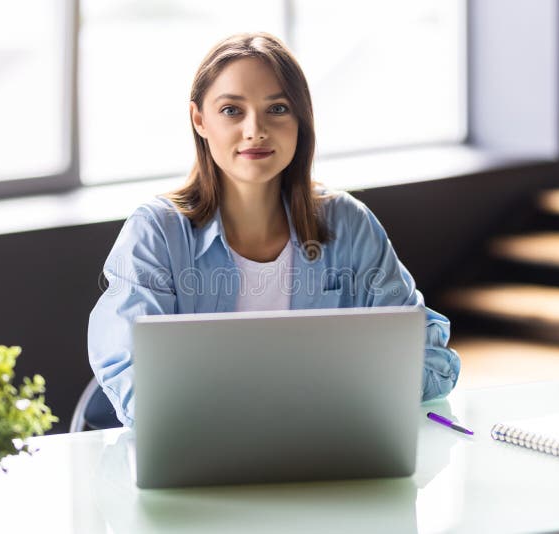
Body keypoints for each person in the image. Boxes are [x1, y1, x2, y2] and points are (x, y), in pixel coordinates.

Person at [88, 32, 460, 428]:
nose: (255, 130)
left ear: (300, 120)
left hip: (327, 451)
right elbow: (130, 374)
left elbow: (432, 362)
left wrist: (321, 394)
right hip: (205, 455)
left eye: (277, 108)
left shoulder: (348, 224)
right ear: (200, 119)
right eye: (232, 110)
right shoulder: (157, 233)